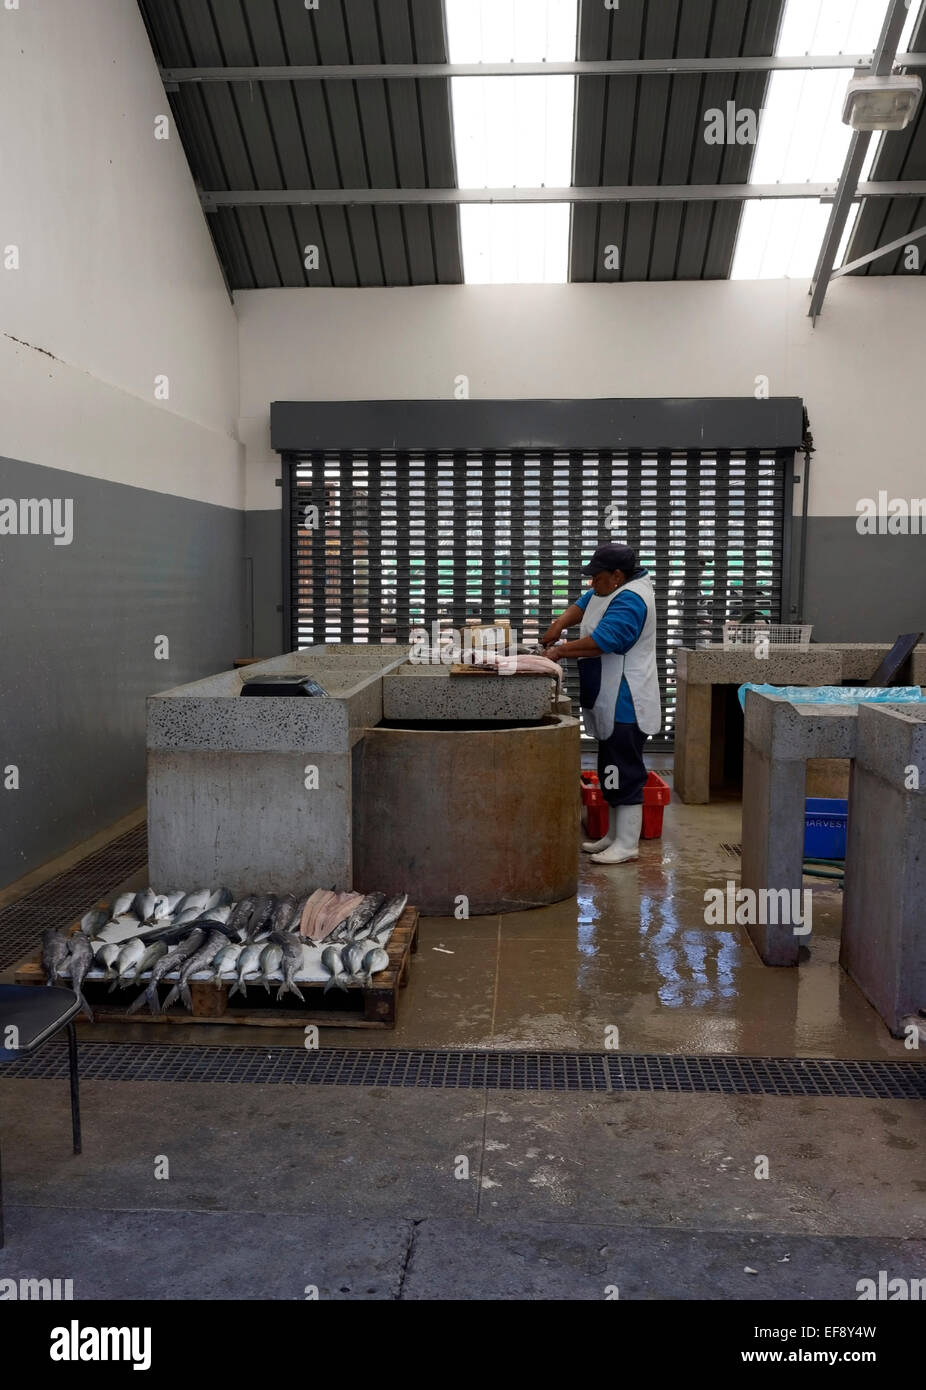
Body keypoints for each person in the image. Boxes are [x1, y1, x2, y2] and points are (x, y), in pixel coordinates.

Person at [541, 543, 661, 865]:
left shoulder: (632, 600)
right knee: (609, 767)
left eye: (597, 577)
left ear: (617, 576)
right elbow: (583, 604)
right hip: (607, 697)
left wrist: (560, 650)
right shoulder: (607, 589)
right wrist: (558, 624)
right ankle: (611, 834)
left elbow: (604, 642)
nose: (592, 583)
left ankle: (627, 843)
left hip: (627, 699)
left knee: (625, 769)